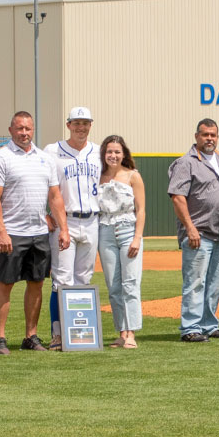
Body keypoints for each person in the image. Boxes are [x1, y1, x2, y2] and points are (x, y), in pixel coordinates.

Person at [0, 111, 69, 354]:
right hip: (12, 232)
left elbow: (54, 196)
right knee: (6, 284)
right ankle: (0, 338)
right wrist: (1, 231)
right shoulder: (0, 158)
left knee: (36, 283)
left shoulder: (44, 159)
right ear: (11, 130)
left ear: (34, 130)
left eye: (28, 129)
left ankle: (30, 336)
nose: (24, 133)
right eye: (19, 128)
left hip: (39, 233)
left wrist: (63, 229)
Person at [169, 118, 219, 342]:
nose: (210, 139)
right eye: (205, 135)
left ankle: (208, 325)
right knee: (195, 282)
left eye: (213, 135)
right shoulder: (186, 162)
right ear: (196, 136)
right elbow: (177, 197)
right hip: (198, 232)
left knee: (215, 282)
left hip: (218, 232)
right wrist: (190, 228)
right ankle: (190, 328)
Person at [45, 106, 101, 348]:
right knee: (62, 280)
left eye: (85, 122)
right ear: (68, 125)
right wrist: (43, 214)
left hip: (92, 220)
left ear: (91, 125)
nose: (81, 127)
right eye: (76, 123)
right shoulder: (52, 151)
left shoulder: (99, 151)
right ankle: (57, 333)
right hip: (63, 220)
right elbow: (42, 184)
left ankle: (79, 334)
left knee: (84, 279)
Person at [97, 135, 146, 348]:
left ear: (123, 153)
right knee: (113, 286)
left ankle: (131, 333)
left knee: (130, 284)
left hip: (128, 231)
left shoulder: (133, 176)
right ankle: (121, 332)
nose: (113, 155)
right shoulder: (98, 177)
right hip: (105, 231)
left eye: (117, 151)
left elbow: (141, 209)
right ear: (103, 154)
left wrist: (137, 237)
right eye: (109, 152)